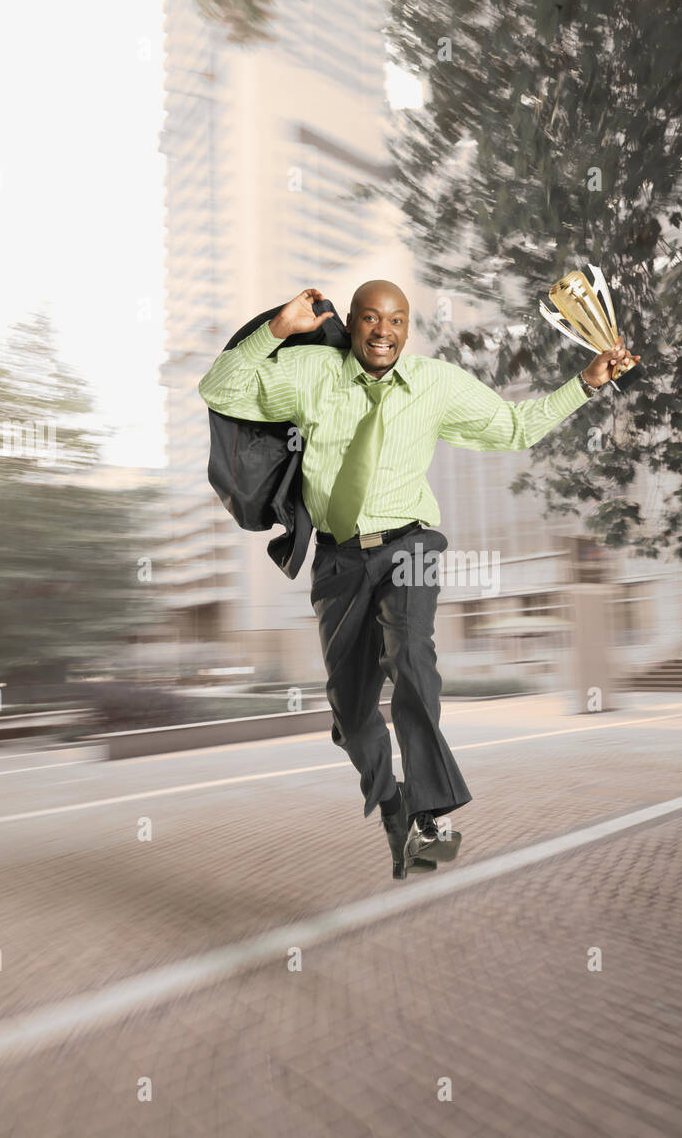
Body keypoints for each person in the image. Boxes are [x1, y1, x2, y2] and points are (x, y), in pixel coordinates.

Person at [198, 281, 636, 880]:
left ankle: (432, 813)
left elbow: (513, 427)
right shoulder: (309, 372)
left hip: (411, 544)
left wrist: (585, 383)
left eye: (397, 320)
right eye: (372, 319)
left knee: (412, 654)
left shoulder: (436, 384)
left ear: (408, 329)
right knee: (351, 716)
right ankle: (396, 810)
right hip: (337, 562)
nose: (384, 331)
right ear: (352, 324)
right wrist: (278, 328)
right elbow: (219, 389)